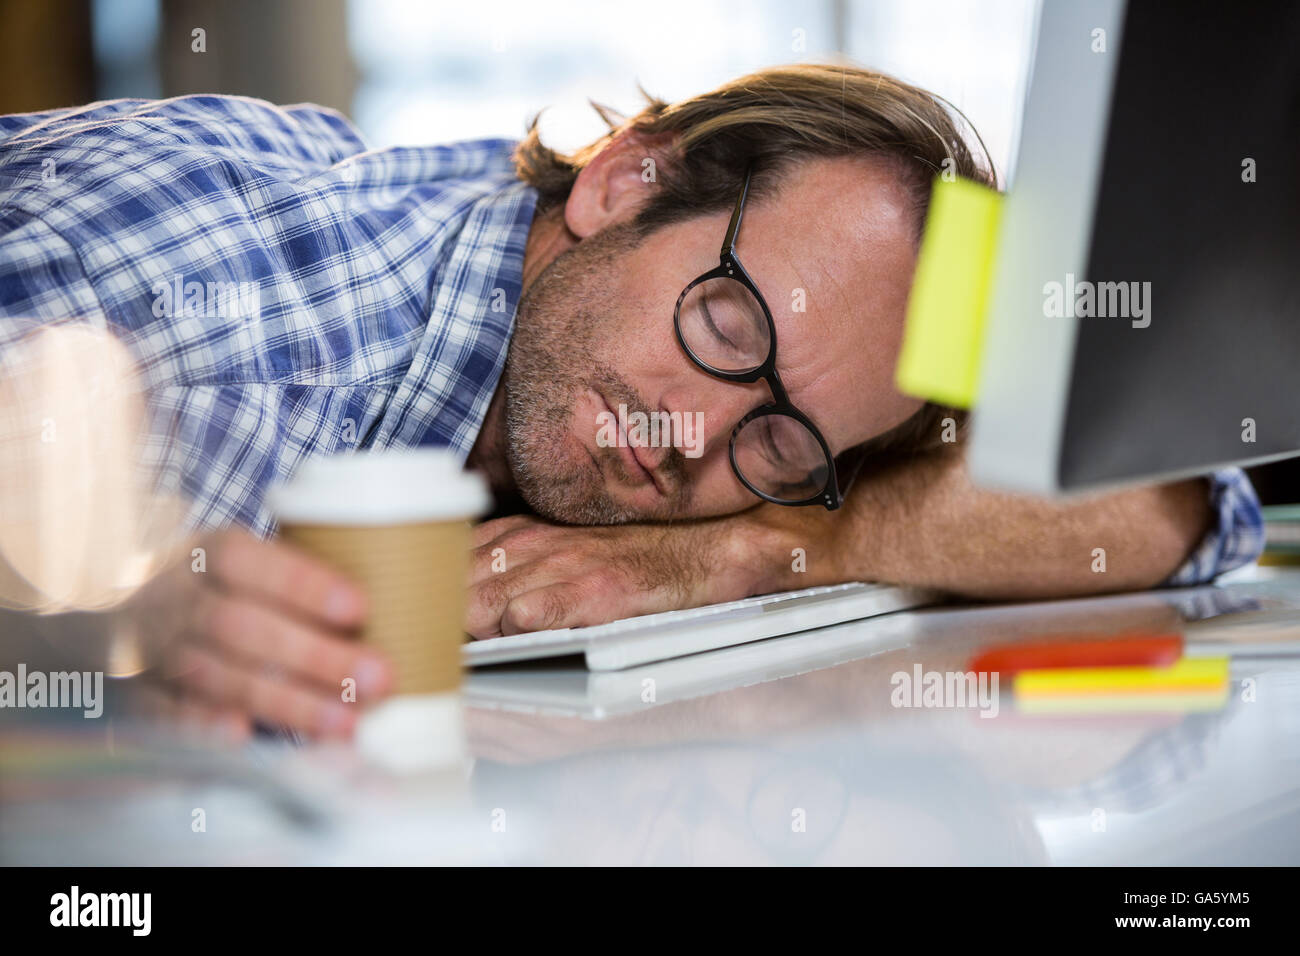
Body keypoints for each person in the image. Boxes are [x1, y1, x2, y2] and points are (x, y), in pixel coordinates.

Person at [0, 64, 1262, 739]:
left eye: (778, 441)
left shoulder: (756, 428)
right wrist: (109, 637)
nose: (689, 440)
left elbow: (1184, 501)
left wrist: (767, 541)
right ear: (620, 178)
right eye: (724, 323)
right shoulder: (232, 326)